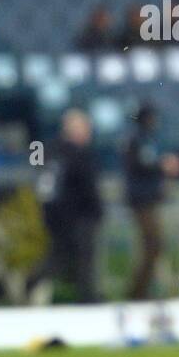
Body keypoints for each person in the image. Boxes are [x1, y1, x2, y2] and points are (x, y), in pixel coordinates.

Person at [123, 102, 179, 300]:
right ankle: (137, 292)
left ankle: (140, 291)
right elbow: (142, 164)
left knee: (154, 246)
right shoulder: (137, 140)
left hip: (147, 200)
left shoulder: (144, 139)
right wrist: (162, 165)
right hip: (142, 201)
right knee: (153, 245)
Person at [46, 108, 103, 303]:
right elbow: (84, 187)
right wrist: (95, 210)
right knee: (76, 255)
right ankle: (86, 296)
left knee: (68, 255)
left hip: (66, 215)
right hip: (77, 214)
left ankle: (86, 294)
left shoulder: (55, 151)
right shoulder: (73, 153)